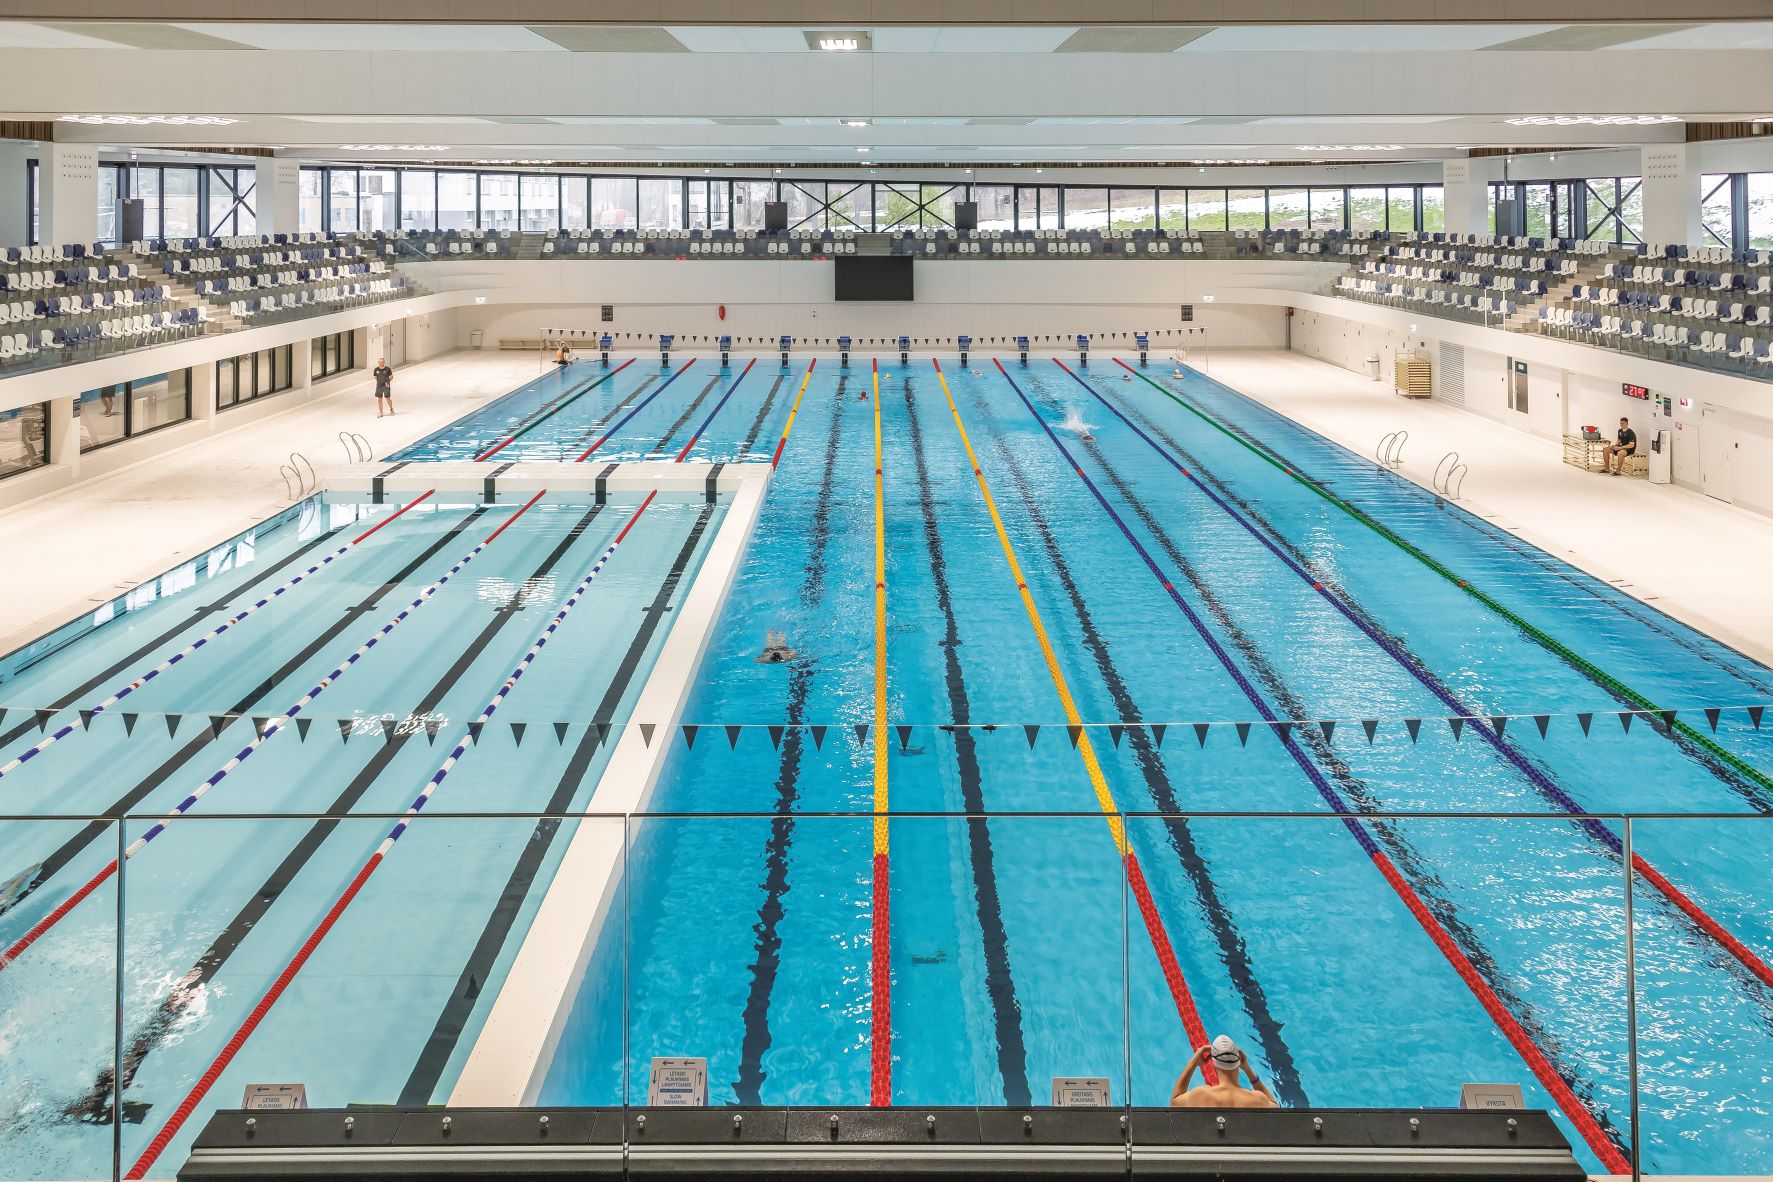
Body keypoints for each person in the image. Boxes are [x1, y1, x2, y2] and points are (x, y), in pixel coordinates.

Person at [1170, 1035, 1277, 1109]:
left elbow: (1175, 1101)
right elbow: (1274, 1105)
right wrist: (1248, 1069)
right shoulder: (1257, 1099)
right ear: (1239, 1062)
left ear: (1213, 1062)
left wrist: (1194, 1062)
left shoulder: (1201, 1095)